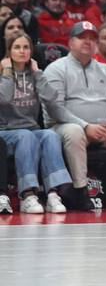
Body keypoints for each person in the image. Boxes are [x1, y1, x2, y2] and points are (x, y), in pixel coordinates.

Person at [41, 20, 106, 210]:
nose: (88, 42)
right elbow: (55, 108)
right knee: (74, 132)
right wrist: (85, 125)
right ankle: (80, 191)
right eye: (82, 38)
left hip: (104, 129)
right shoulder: (56, 69)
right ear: (71, 42)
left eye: (92, 38)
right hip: (65, 127)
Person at [0, 31, 74, 213]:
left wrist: (38, 73)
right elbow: (4, 98)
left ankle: (52, 194)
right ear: (9, 51)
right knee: (26, 136)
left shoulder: (35, 74)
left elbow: (51, 98)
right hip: (6, 132)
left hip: (31, 130)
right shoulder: (2, 73)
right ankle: (27, 194)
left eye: (26, 47)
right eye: (17, 47)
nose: (22, 51)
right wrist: (8, 72)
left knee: (50, 135)